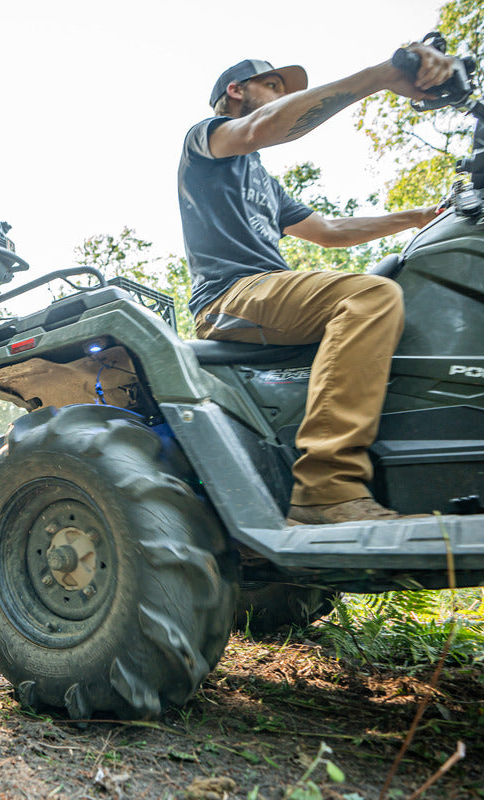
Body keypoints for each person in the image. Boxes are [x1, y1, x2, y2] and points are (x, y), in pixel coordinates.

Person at [178, 45, 457, 525]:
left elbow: (329, 233)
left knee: (397, 288)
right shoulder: (207, 140)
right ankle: (326, 488)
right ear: (236, 90)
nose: (280, 95)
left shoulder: (265, 182)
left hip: (270, 293)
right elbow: (256, 130)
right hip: (229, 297)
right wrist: (382, 75)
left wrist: (418, 218)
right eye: (273, 86)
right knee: (369, 295)